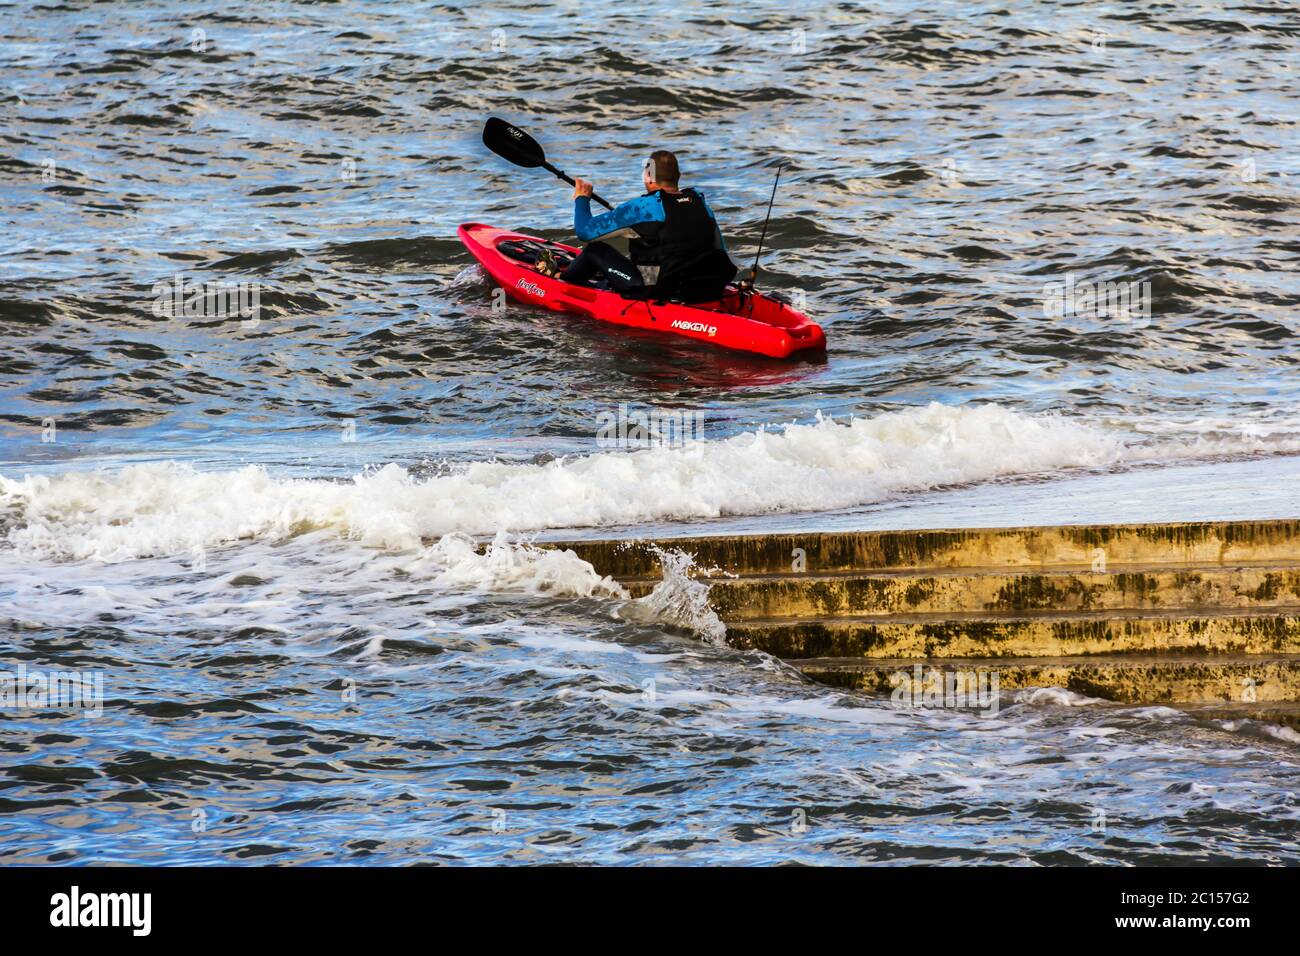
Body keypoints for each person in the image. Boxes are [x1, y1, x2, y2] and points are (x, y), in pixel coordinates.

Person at [537, 150, 736, 301]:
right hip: (704, 288)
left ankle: (560, 281)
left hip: (658, 290)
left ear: (649, 177)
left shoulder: (642, 208)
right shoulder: (700, 203)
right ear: (678, 175)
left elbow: (584, 231)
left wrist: (582, 199)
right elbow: (720, 249)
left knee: (595, 250)